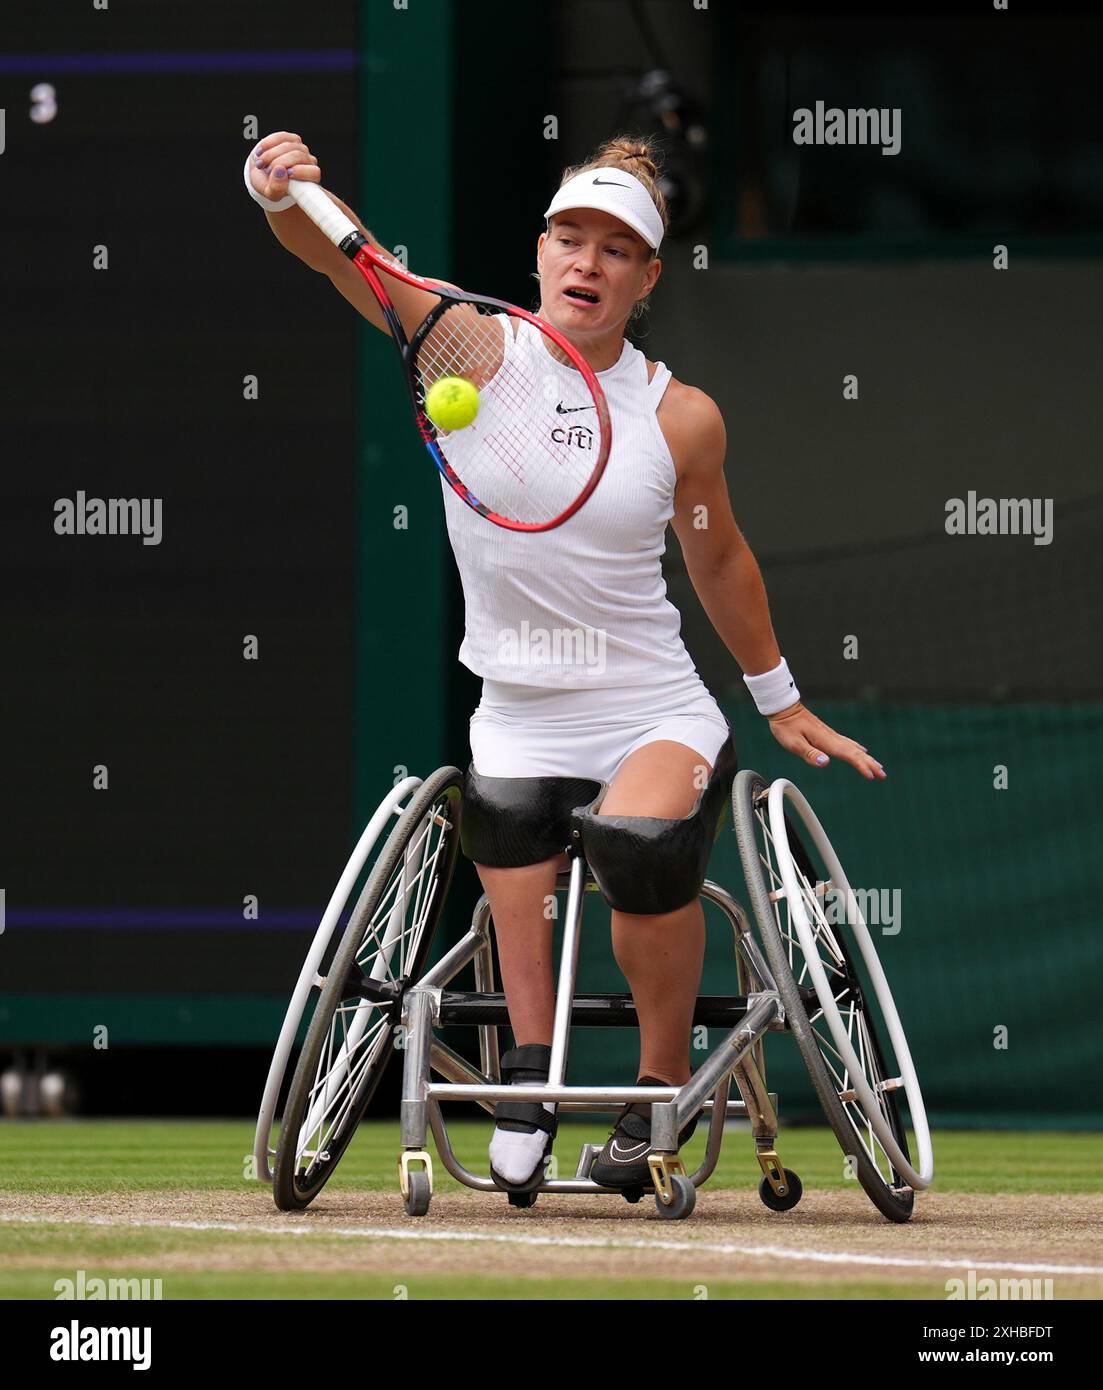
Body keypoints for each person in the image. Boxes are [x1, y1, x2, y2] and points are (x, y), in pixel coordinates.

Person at [246, 130, 886, 1193]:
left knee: (636, 844)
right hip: (517, 709)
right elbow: (338, 255)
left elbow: (717, 556)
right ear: (538, 252)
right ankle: (527, 1088)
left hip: (651, 708)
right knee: (509, 836)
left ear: (645, 278)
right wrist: (275, 197)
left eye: (615, 249)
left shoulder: (680, 417)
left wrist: (780, 701)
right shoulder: (462, 344)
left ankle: (652, 1099)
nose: (586, 263)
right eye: (568, 238)